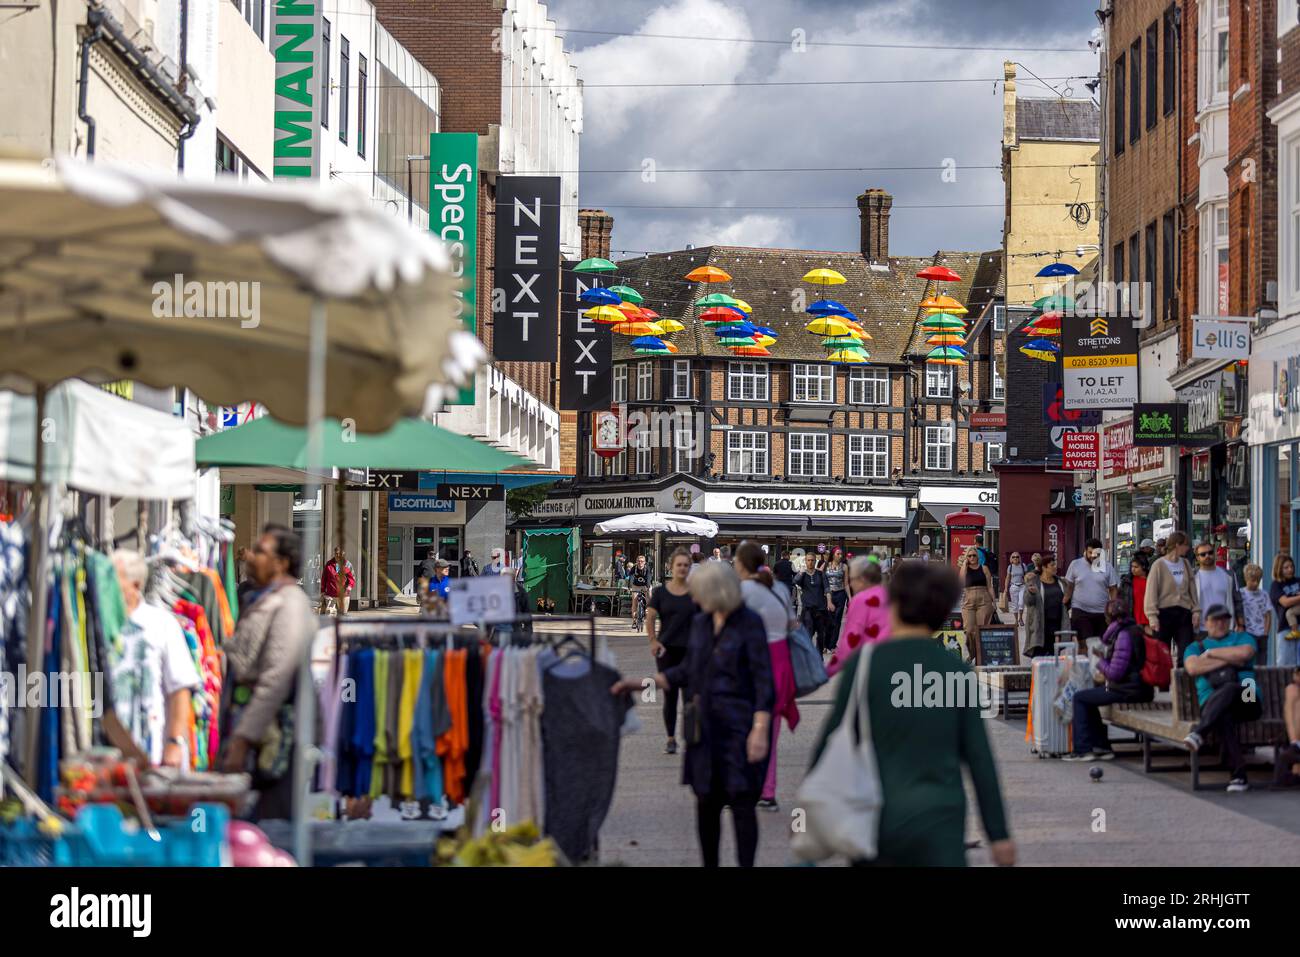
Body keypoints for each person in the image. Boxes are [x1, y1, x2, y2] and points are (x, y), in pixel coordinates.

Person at [811, 560, 1014, 867]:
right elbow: (979, 758)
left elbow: (829, 744)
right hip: (940, 823)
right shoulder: (956, 672)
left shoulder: (865, 665)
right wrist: (998, 834)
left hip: (876, 821)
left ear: (893, 603)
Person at [610, 561, 772, 867]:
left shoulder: (749, 623)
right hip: (704, 729)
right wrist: (640, 683)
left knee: (742, 804)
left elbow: (764, 681)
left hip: (740, 728)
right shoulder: (701, 622)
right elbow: (686, 670)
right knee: (706, 805)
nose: (694, 599)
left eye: (699, 593)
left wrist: (760, 729)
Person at [219, 524, 316, 819]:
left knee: (268, 824)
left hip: (273, 740)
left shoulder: (290, 604)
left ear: (281, 563)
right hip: (253, 729)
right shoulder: (263, 597)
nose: (250, 556)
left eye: (260, 551)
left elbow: (276, 678)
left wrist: (243, 739)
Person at [109, 549, 202, 768]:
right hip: (111, 751)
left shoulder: (162, 624)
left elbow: (180, 689)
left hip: (154, 747)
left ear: (136, 586)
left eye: (114, 581)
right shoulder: (101, 624)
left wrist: (174, 743)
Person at [734, 541, 798, 812]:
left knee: (741, 726)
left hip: (751, 662)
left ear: (741, 564)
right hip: (781, 661)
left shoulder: (741, 591)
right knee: (770, 728)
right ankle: (768, 790)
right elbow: (792, 624)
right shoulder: (780, 589)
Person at [1182, 604, 1261, 793]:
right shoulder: (1195, 646)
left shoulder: (1243, 637)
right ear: (1206, 623)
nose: (1221, 623)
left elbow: (1245, 653)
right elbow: (1193, 668)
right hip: (1212, 701)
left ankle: (1199, 733)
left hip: (1248, 695)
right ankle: (1239, 776)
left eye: (1225, 619)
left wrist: (1210, 655)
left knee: (1235, 687)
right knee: (1223, 714)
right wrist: (1229, 659)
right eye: (1216, 619)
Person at [1063, 598, 1154, 761]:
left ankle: (1083, 749)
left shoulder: (1123, 635)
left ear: (1109, 618)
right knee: (1088, 697)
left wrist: (1101, 661)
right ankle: (1101, 746)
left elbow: (1115, 673)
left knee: (1079, 698)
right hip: (1138, 687)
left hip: (1129, 690)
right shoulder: (1134, 630)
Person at [646, 548, 699, 756]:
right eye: (679, 565)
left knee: (690, 698)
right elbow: (650, 618)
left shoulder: (696, 593)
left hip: (690, 651)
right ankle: (670, 738)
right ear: (671, 567)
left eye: (686, 565)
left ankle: (690, 739)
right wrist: (652, 641)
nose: (682, 568)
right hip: (667, 651)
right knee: (670, 697)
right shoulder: (660, 592)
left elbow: (705, 621)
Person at [827, 556, 889, 676]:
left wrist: (826, 672)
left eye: (852, 579)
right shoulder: (889, 595)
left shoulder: (860, 600)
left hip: (869, 663)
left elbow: (850, 640)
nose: (851, 584)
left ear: (862, 579)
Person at [1145, 531, 1199, 663]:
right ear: (1177, 545)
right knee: (1163, 655)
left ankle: (1183, 682)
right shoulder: (1159, 565)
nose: (1188, 548)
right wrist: (1152, 617)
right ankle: (1164, 682)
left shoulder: (1185, 564)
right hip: (1164, 613)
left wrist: (1196, 610)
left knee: (1186, 652)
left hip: (1183, 612)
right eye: (1185, 545)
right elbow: (1151, 591)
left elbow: (1192, 590)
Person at [1062, 538, 1119, 646]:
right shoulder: (1075, 564)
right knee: (1083, 643)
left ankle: (1097, 663)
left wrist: (1113, 607)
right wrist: (1066, 599)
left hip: (1102, 612)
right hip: (1080, 610)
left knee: (1100, 645)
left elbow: (1113, 588)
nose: (1093, 556)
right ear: (1085, 551)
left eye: (1096, 553)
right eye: (1090, 553)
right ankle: (1083, 662)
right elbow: (1069, 585)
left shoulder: (1107, 567)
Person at [1023, 556, 1065, 658]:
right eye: (1052, 565)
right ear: (1044, 567)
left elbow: (1067, 601)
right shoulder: (1034, 581)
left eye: (1055, 564)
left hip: (1057, 626)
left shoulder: (1060, 582)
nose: (1055, 567)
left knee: (1054, 659)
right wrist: (1031, 593)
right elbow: (1028, 602)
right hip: (1040, 625)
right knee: (1039, 658)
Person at [959, 546, 995, 662]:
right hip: (968, 599)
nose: (972, 557)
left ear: (978, 556)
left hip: (984, 599)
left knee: (981, 629)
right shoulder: (964, 569)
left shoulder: (984, 568)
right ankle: (972, 653)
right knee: (969, 630)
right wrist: (964, 565)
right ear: (966, 557)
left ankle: (980, 657)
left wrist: (994, 602)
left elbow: (990, 586)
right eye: (969, 556)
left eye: (974, 555)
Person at [1194, 541, 1240, 630]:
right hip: (1201, 630)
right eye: (1203, 554)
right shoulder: (1192, 577)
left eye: (1210, 553)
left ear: (1214, 554)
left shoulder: (1229, 575)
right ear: (1197, 558)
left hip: (1225, 629)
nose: (1207, 556)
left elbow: (1238, 600)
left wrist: (1240, 623)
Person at [794, 553, 832, 655]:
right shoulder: (803, 575)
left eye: (812, 560)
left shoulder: (820, 574)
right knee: (808, 633)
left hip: (820, 608)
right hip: (808, 609)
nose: (810, 562)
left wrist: (829, 601)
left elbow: (827, 589)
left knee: (821, 635)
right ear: (805, 561)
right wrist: (801, 572)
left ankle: (819, 656)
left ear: (815, 562)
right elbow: (795, 581)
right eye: (808, 560)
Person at [1240, 564, 1273, 665]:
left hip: (1261, 633)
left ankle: (1261, 680)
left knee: (1262, 660)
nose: (1255, 583)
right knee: (1248, 660)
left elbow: (1268, 615)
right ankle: (1249, 680)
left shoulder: (1264, 594)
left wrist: (1266, 632)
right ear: (1246, 579)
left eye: (1258, 581)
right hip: (1247, 632)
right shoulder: (1241, 594)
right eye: (1252, 580)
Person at [1270, 554, 1300, 664]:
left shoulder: (1298, 580)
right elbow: (1285, 602)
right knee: (1285, 664)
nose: (1290, 570)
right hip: (1286, 629)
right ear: (1279, 568)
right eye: (1286, 567)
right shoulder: (1276, 585)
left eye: (1291, 566)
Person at [319, 546, 355, 616]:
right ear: (334, 553)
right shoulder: (329, 564)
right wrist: (322, 591)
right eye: (336, 553)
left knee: (342, 616)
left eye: (340, 554)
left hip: (344, 595)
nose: (338, 555)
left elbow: (352, 579)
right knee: (329, 615)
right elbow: (324, 578)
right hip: (331, 595)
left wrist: (349, 587)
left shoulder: (348, 564)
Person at [1120, 553, 1150, 630]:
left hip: (1149, 619)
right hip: (1132, 619)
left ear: (1143, 567)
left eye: (1136, 567)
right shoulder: (1127, 581)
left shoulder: (1152, 580)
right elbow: (1120, 599)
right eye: (1132, 566)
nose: (1133, 569)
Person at [825, 548, 849, 640]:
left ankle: (833, 644)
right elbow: (819, 574)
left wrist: (850, 598)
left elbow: (846, 584)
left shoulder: (844, 566)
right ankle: (826, 643)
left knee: (837, 620)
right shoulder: (826, 565)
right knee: (828, 619)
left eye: (841, 554)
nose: (840, 556)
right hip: (828, 594)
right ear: (833, 555)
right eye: (838, 554)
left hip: (840, 594)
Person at [1001, 551, 1027, 628]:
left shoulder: (1023, 565)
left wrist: (1028, 585)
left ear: (1019, 558)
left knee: (1021, 603)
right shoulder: (1010, 567)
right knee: (1014, 605)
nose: (1015, 558)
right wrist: (1005, 588)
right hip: (1013, 586)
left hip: (1022, 586)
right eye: (1013, 557)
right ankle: (1016, 620)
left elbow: (1026, 576)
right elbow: (1007, 578)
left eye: (1017, 557)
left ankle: (1021, 618)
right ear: (1011, 559)